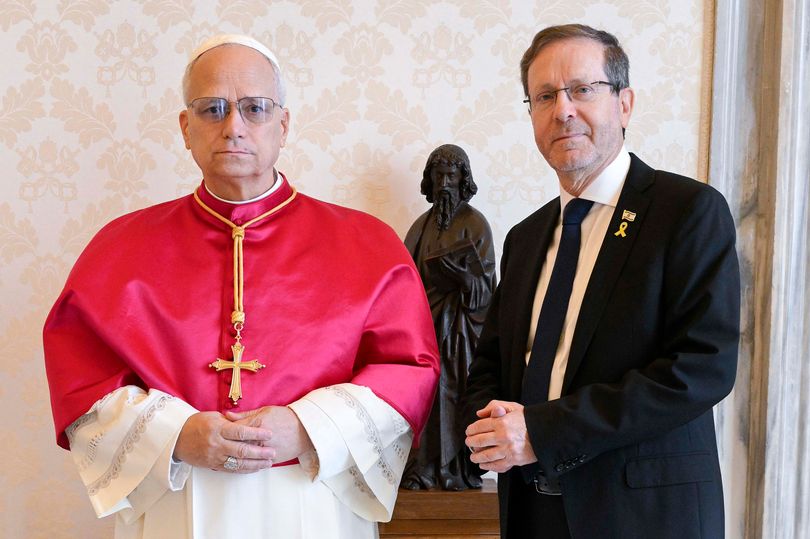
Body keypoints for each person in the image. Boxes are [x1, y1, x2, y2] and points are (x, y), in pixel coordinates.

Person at [43, 34, 439, 539]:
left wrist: (306, 428)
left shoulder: (367, 244)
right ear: (186, 128)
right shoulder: (120, 248)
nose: (233, 127)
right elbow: (82, 382)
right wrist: (177, 434)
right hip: (176, 499)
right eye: (212, 109)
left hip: (312, 498)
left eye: (255, 108)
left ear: (284, 124)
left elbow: (408, 370)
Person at [462, 24, 740, 539]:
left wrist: (542, 433)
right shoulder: (525, 237)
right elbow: (491, 363)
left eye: (582, 90)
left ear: (625, 104)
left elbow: (702, 368)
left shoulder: (687, 211)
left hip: (643, 517)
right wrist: (488, 425)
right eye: (544, 96)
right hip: (532, 511)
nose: (563, 110)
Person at [401, 144, 496, 491]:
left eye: (451, 175)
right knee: (424, 398)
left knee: (454, 396)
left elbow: (486, 290)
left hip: (460, 336)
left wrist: (463, 279)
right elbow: (404, 281)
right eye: (438, 175)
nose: (444, 183)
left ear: (462, 179)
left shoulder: (476, 224)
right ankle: (423, 468)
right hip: (423, 331)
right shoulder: (420, 227)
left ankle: (456, 469)